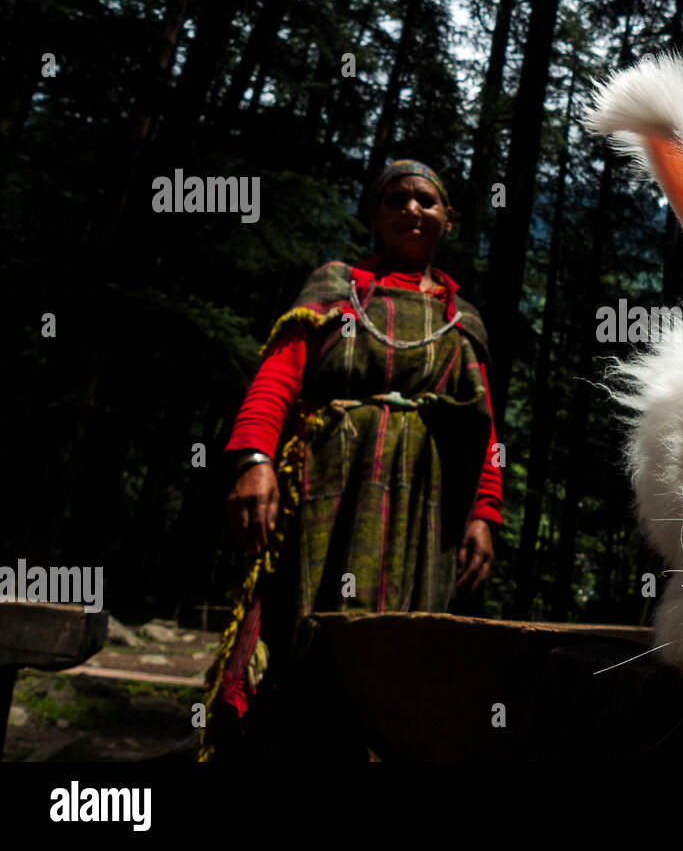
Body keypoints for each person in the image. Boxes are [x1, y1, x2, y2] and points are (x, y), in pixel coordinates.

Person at [200, 159, 502, 759]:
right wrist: (254, 459)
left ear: (446, 221)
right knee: (308, 631)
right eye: (395, 200)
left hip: (427, 507)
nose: (411, 209)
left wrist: (484, 513)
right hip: (325, 488)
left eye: (426, 200)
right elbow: (275, 378)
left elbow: (483, 428)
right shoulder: (337, 289)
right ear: (373, 217)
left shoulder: (462, 320)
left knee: (410, 642)